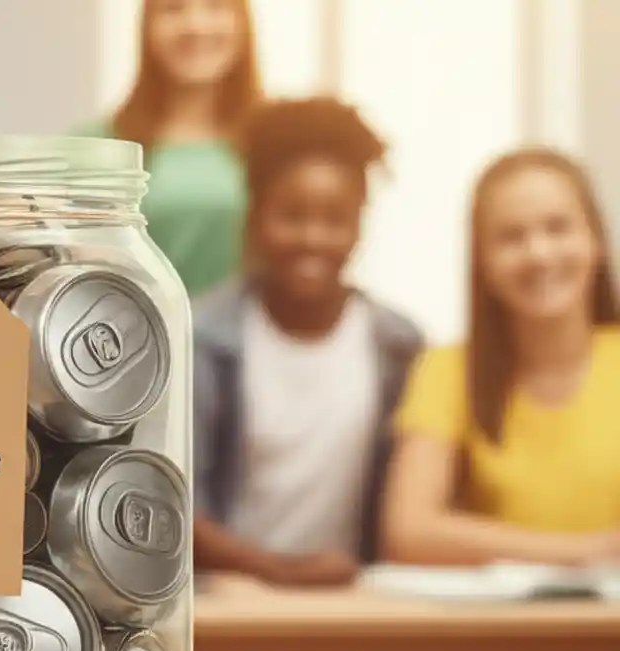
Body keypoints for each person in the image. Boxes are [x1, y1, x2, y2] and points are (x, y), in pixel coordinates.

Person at [193, 98, 423, 586]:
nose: (313, 238)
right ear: (256, 216)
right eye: (292, 216)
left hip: (356, 608)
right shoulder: (202, 339)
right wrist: (281, 572)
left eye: (335, 218)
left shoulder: (399, 345)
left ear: (360, 222)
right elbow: (172, 506)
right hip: (231, 603)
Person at [384, 149, 620, 566]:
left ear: (596, 240)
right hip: (503, 625)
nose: (539, 254)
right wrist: (591, 552)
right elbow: (409, 530)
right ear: (483, 263)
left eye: (558, 228)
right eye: (512, 237)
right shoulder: (446, 370)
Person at [80, 0, 260, 297]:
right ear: (147, 26)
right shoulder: (99, 147)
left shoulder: (275, 143)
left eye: (215, 6)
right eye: (173, 8)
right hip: (134, 336)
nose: (195, 26)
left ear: (242, 21)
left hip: (245, 342)